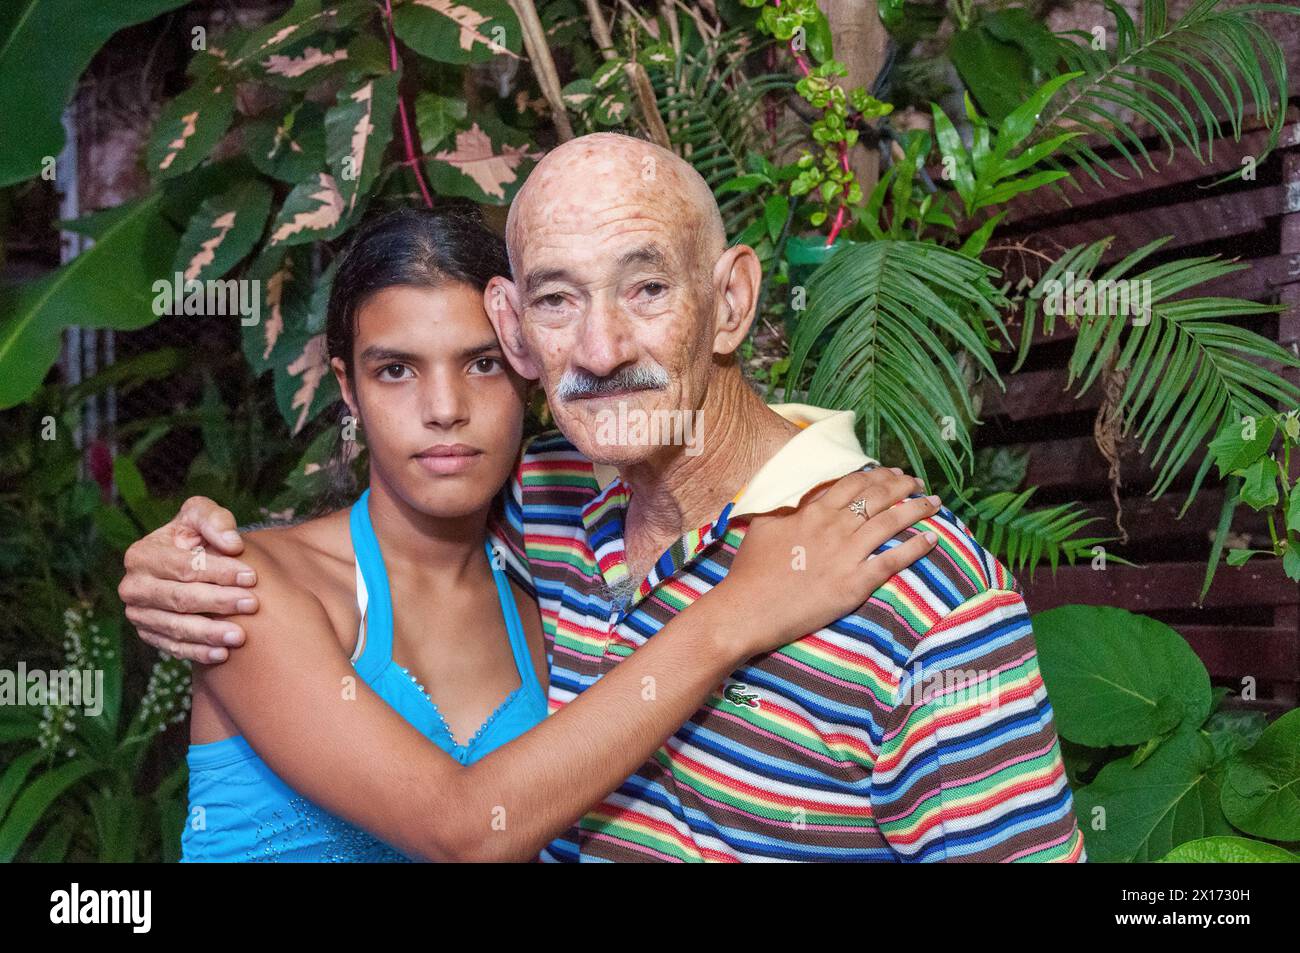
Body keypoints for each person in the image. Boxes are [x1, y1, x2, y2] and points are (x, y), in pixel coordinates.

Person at [122, 132, 1086, 862]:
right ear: (521, 329)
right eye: (555, 300)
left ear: (734, 303)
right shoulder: (547, 507)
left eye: (647, 289)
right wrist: (171, 561)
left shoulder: (922, 597)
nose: (600, 349)